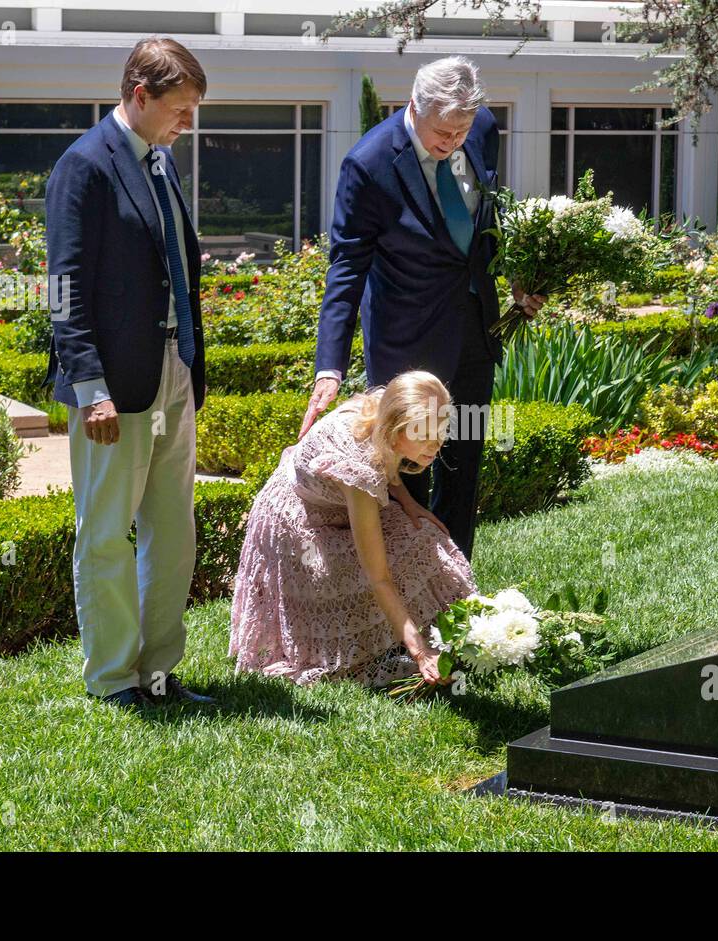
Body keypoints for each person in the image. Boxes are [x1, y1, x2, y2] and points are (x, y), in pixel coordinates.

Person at [303, 55, 546, 562]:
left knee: (464, 462)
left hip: (474, 334)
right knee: (409, 478)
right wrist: (330, 364)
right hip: (407, 346)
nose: (453, 141)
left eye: (461, 131)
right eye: (442, 131)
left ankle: (456, 593)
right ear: (415, 106)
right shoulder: (367, 165)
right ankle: (404, 606)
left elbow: (483, 220)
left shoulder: (481, 128)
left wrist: (517, 277)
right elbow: (346, 266)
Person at [44, 37, 212, 709]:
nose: (189, 123)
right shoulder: (83, 166)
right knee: (109, 535)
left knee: (173, 534)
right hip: (112, 386)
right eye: (182, 108)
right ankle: (114, 679)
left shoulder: (162, 163)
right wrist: (92, 390)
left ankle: (159, 674)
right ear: (140, 96)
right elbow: (64, 288)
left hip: (172, 372)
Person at [230, 370, 476, 688]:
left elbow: (386, 456)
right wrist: (420, 655)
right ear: (396, 427)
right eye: (426, 435)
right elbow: (379, 577)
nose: (437, 445)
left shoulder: (384, 408)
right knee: (354, 578)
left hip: (338, 497)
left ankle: (461, 634)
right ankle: (395, 645)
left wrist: (408, 502)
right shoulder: (360, 472)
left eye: (441, 431)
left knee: (422, 534)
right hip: (294, 515)